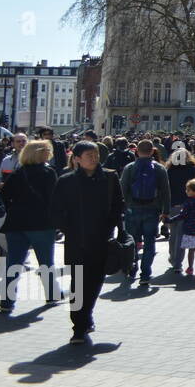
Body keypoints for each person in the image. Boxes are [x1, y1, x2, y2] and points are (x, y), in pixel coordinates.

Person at [50, 140, 125, 344]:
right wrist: (69, 229)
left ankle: (87, 314)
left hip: (101, 241)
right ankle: (78, 326)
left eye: (96, 154)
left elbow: (119, 206)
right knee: (77, 285)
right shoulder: (66, 181)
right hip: (76, 242)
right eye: (89, 155)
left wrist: (109, 227)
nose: (94, 158)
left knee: (94, 283)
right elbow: (55, 210)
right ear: (76, 159)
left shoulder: (110, 177)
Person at [0, 139, 62, 310]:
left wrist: (15, 208)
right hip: (41, 223)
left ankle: (7, 301)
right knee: (46, 262)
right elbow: (54, 199)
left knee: (14, 263)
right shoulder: (48, 173)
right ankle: (52, 294)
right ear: (42, 154)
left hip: (16, 223)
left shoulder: (18, 173)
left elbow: (4, 196)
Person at [120, 139, 170, 286]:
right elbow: (165, 191)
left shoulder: (130, 168)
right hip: (152, 209)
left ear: (137, 151)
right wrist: (165, 211)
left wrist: (124, 207)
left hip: (132, 209)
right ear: (152, 151)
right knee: (149, 241)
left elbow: (123, 190)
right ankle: (146, 274)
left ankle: (132, 266)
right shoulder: (159, 168)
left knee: (133, 241)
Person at [164, 148, 195, 273]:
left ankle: (173, 257)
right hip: (188, 205)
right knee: (180, 234)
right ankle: (177, 262)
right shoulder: (193, 169)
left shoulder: (168, 170)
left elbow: (163, 188)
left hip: (172, 204)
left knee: (173, 233)